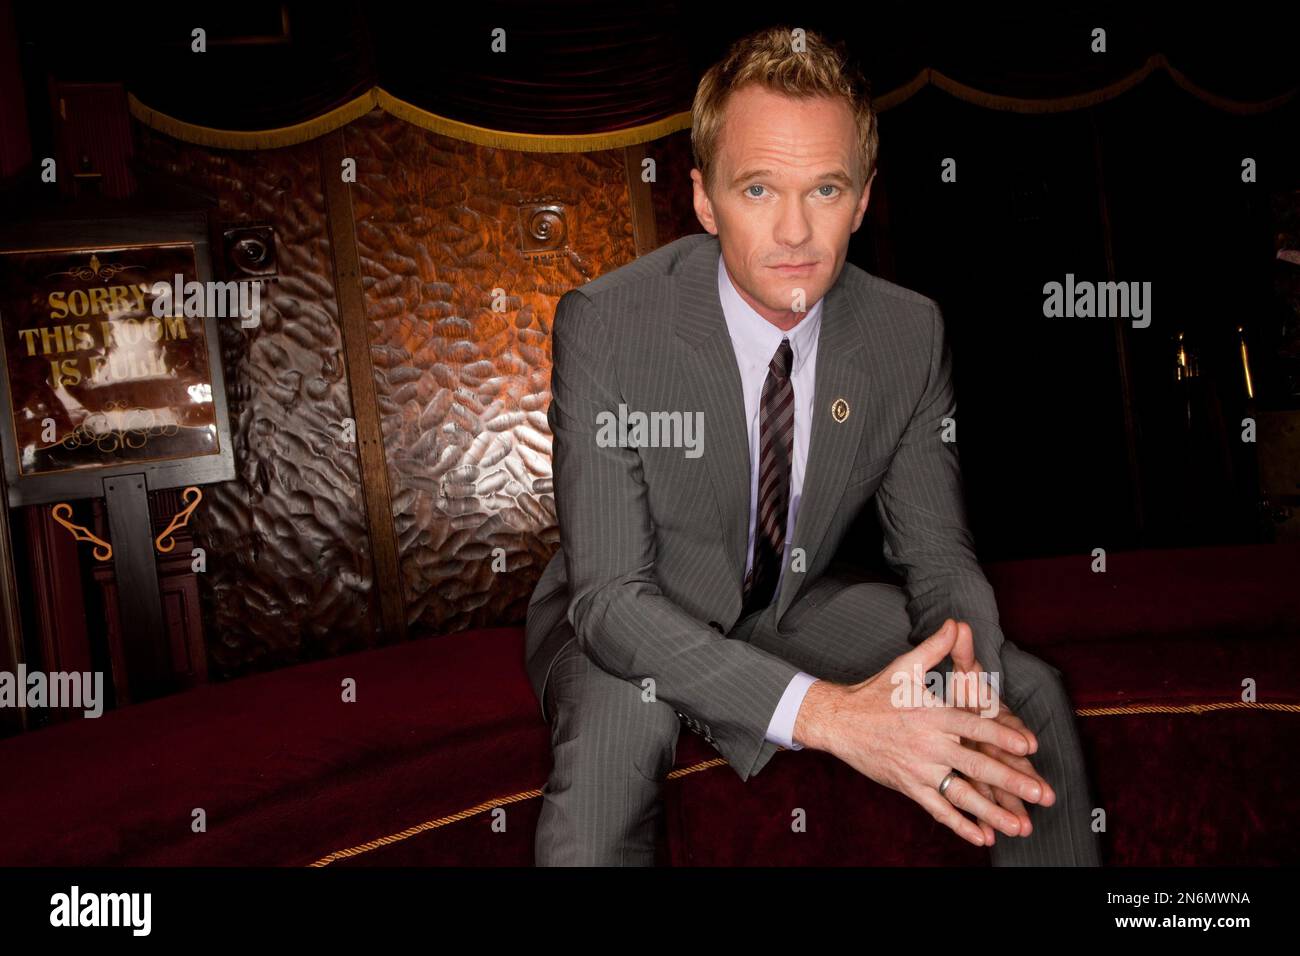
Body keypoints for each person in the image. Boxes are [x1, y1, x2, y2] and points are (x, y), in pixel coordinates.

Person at [524, 24, 1101, 867]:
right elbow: (610, 597)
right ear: (703, 198)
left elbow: (939, 555)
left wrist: (964, 691)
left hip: (788, 606)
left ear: (863, 199)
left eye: (824, 190)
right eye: (758, 190)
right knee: (621, 738)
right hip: (628, 610)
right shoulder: (607, 324)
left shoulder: (908, 331)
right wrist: (834, 717)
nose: (794, 232)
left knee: (1025, 698)